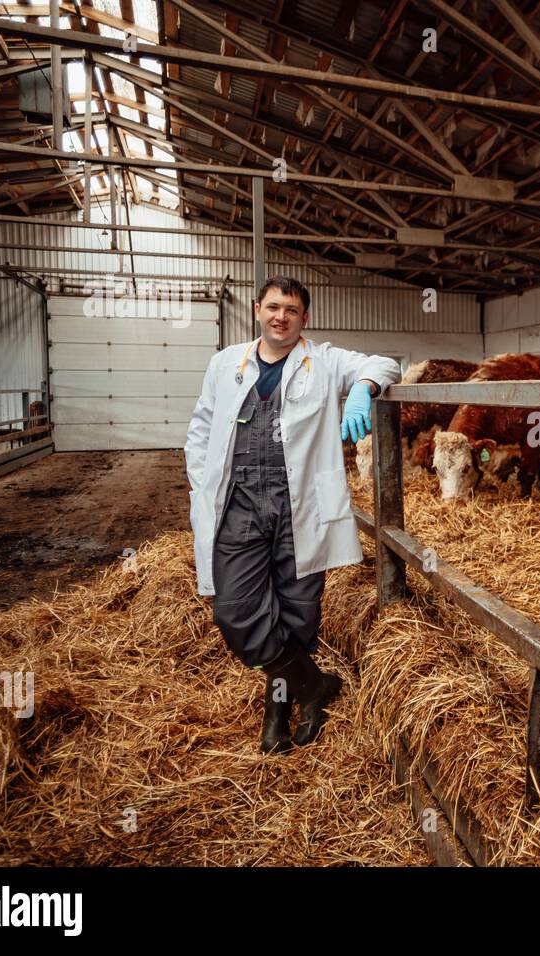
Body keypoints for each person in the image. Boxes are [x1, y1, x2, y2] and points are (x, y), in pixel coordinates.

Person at [184, 276, 401, 754]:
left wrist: (363, 388)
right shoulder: (225, 364)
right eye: (273, 307)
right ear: (258, 310)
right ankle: (315, 687)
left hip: (299, 503)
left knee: (298, 613)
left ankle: (282, 709)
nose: (281, 316)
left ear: (305, 319)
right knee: (235, 613)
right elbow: (200, 427)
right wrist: (202, 482)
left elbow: (385, 363)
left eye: (293, 310)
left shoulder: (322, 360)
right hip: (239, 501)